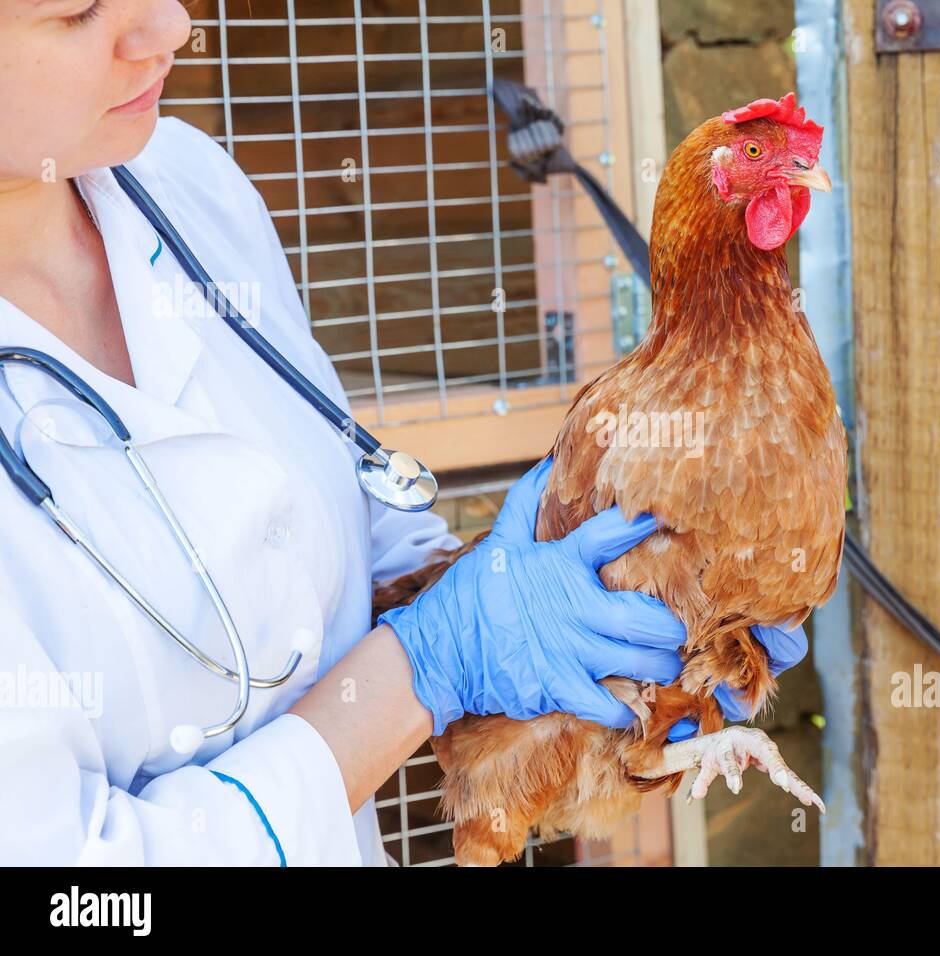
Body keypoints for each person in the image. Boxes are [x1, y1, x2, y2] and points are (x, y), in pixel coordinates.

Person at [0, 0, 808, 865]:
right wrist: (433, 661)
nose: (167, 26)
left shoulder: (182, 182)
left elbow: (321, 486)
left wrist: (529, 589)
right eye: (79, 10)